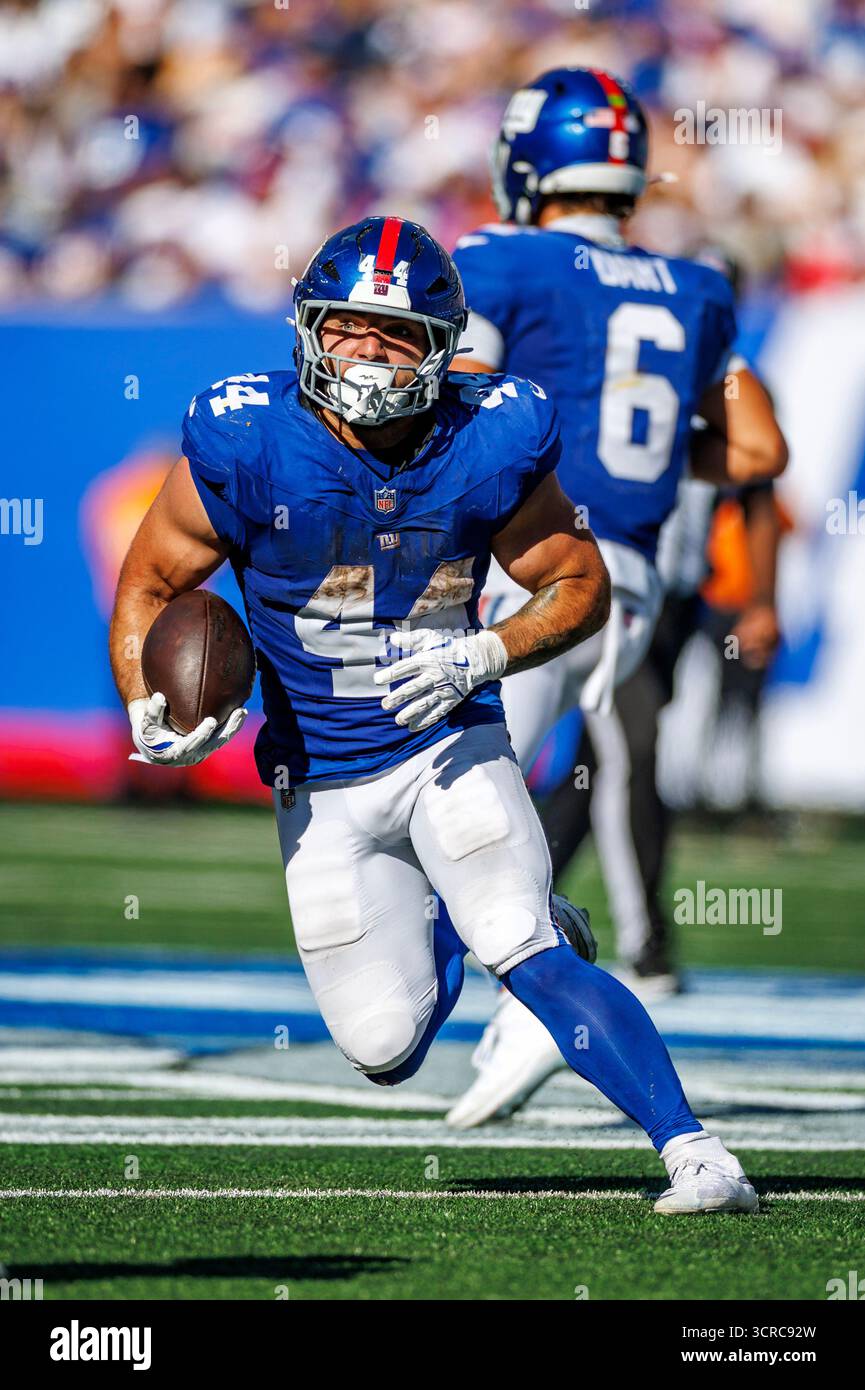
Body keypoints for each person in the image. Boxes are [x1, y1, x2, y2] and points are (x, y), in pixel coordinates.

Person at [109, 214, 759, 1213]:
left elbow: (573, 580)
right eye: (344, 327)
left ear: (443, 345)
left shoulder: (488, 431)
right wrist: (149, 705)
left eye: (394, 333)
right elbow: (151, 582)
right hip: (317, 776)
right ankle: (475, 931)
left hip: (445, 736)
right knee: (382, 1047)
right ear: (306, 329)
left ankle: (694, 1150)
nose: (364, 350)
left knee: (518, 939)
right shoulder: (245, 434)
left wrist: (486, 650)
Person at [444, 67, 787, 1130]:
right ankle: (548, 978)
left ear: (526, 159)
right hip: (628, 589)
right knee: (487, 811)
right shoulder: (695, 288)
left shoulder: (497, 262)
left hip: (531, 571)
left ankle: (550, 990)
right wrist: (627, 446)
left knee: (430, 810)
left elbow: (457, 411)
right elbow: (757, 449)